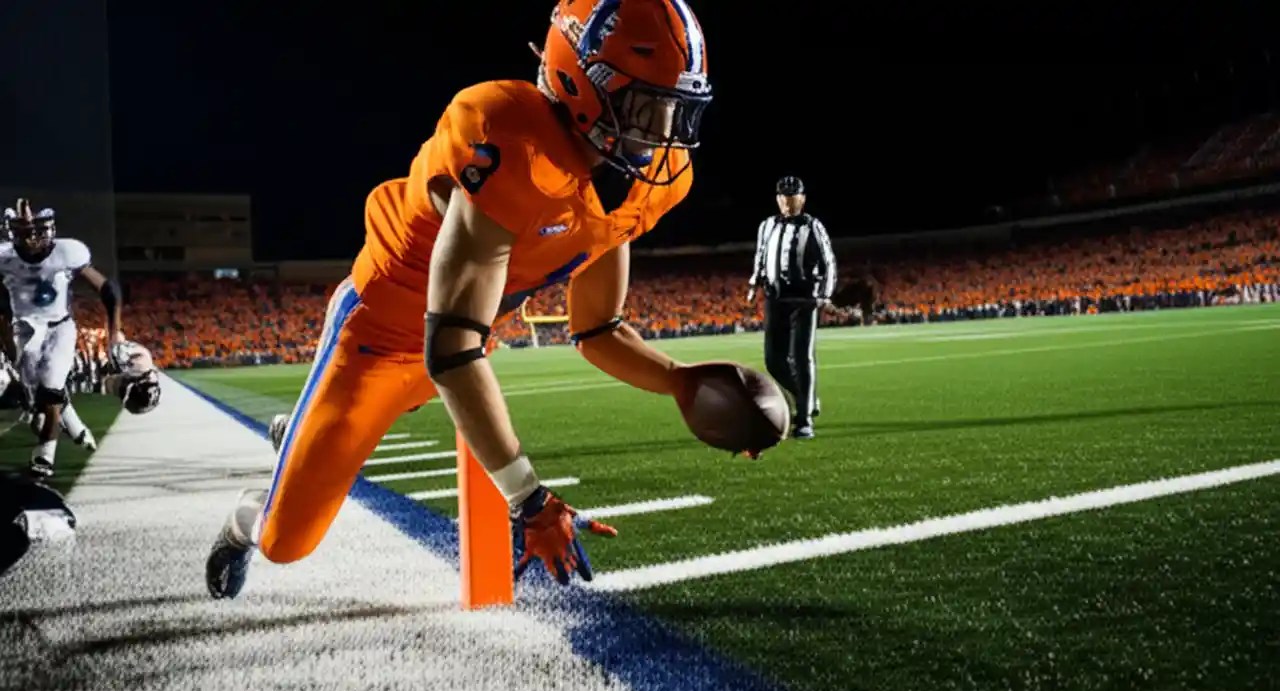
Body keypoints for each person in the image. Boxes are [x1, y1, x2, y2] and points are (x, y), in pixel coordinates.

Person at [206, 0, 716, 599]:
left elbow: (598, 328)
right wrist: (528, 499)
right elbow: (450, 349)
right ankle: (245, 517)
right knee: (285, 541)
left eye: (674, 109)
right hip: (381, 340)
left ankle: (301, 431)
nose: (662, 131)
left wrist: (683, 382)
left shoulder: (642, 182)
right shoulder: (509, 141)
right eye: (646, 106)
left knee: (407, 402)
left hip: (460, 349)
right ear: (582, 81)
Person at [0, 199, 127, 476]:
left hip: (59, 327)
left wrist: (114, 333)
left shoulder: (67, 252)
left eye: (36, 233)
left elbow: (108, 288)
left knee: (51, 390)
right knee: (34, 399)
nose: (31, 240)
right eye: (24, 233)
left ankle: (45, 453)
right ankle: (75, 425)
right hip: (24, 329)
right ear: (12, 233)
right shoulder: (4, 257)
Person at [746, 176, 836, 438]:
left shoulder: (812, 226)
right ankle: (805, 398)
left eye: (793, 197)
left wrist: (824, 295)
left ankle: (804, 419)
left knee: (802, 357)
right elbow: (761, 256)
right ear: (778, 199)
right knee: (773, 360)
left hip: (803, 300)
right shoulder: (767, 225)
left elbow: (828, 262)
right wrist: (754, 283)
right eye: (783, 197)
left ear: (802, 199)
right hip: (775, 298)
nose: (787, 202)